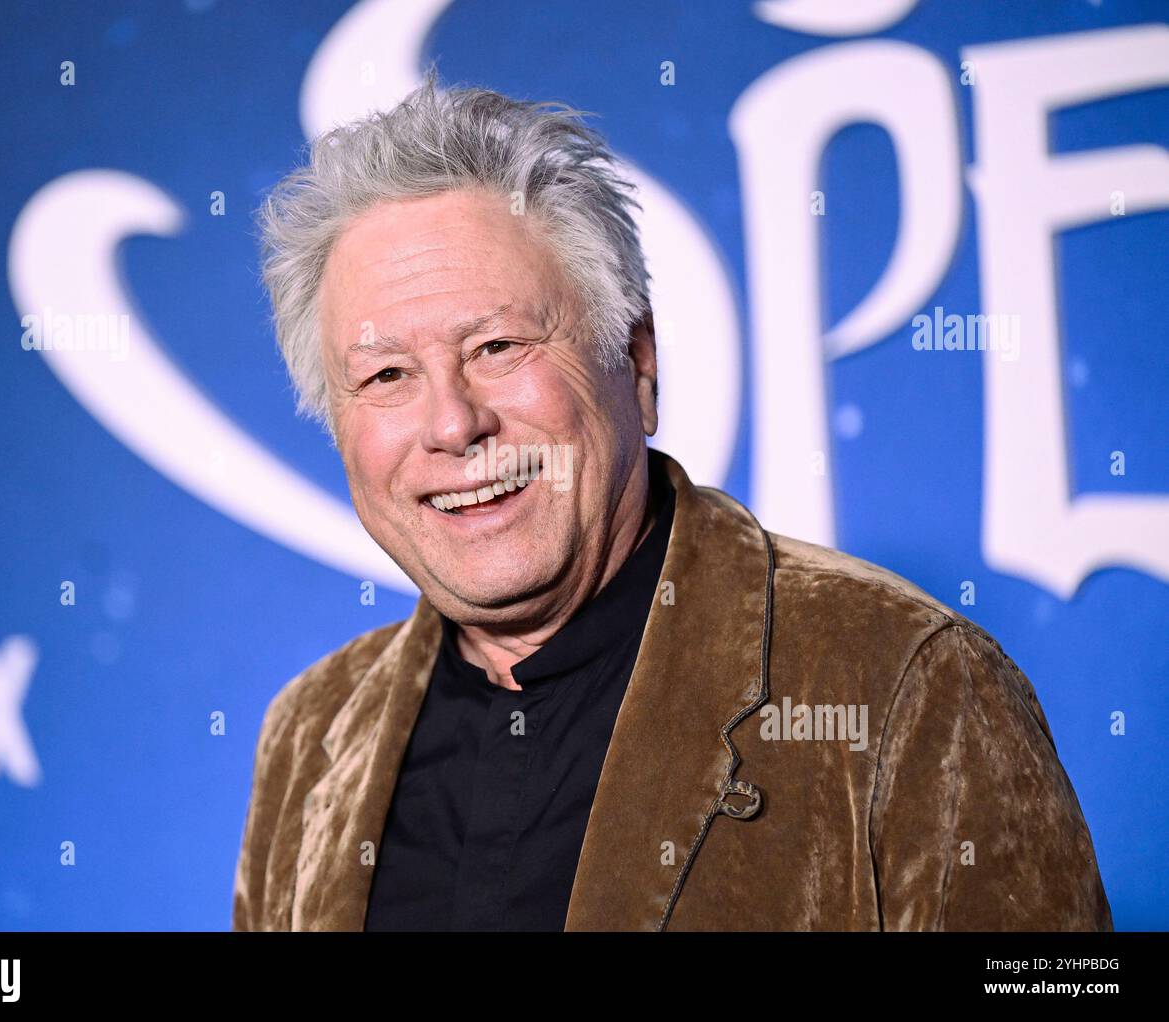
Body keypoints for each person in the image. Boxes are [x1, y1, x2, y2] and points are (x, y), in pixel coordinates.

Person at [231, 70, 1112, 931]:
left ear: (638, 366)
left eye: (498, 345)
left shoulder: (905, 681)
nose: (454, 423)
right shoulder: (310, 735)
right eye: (387, 375)